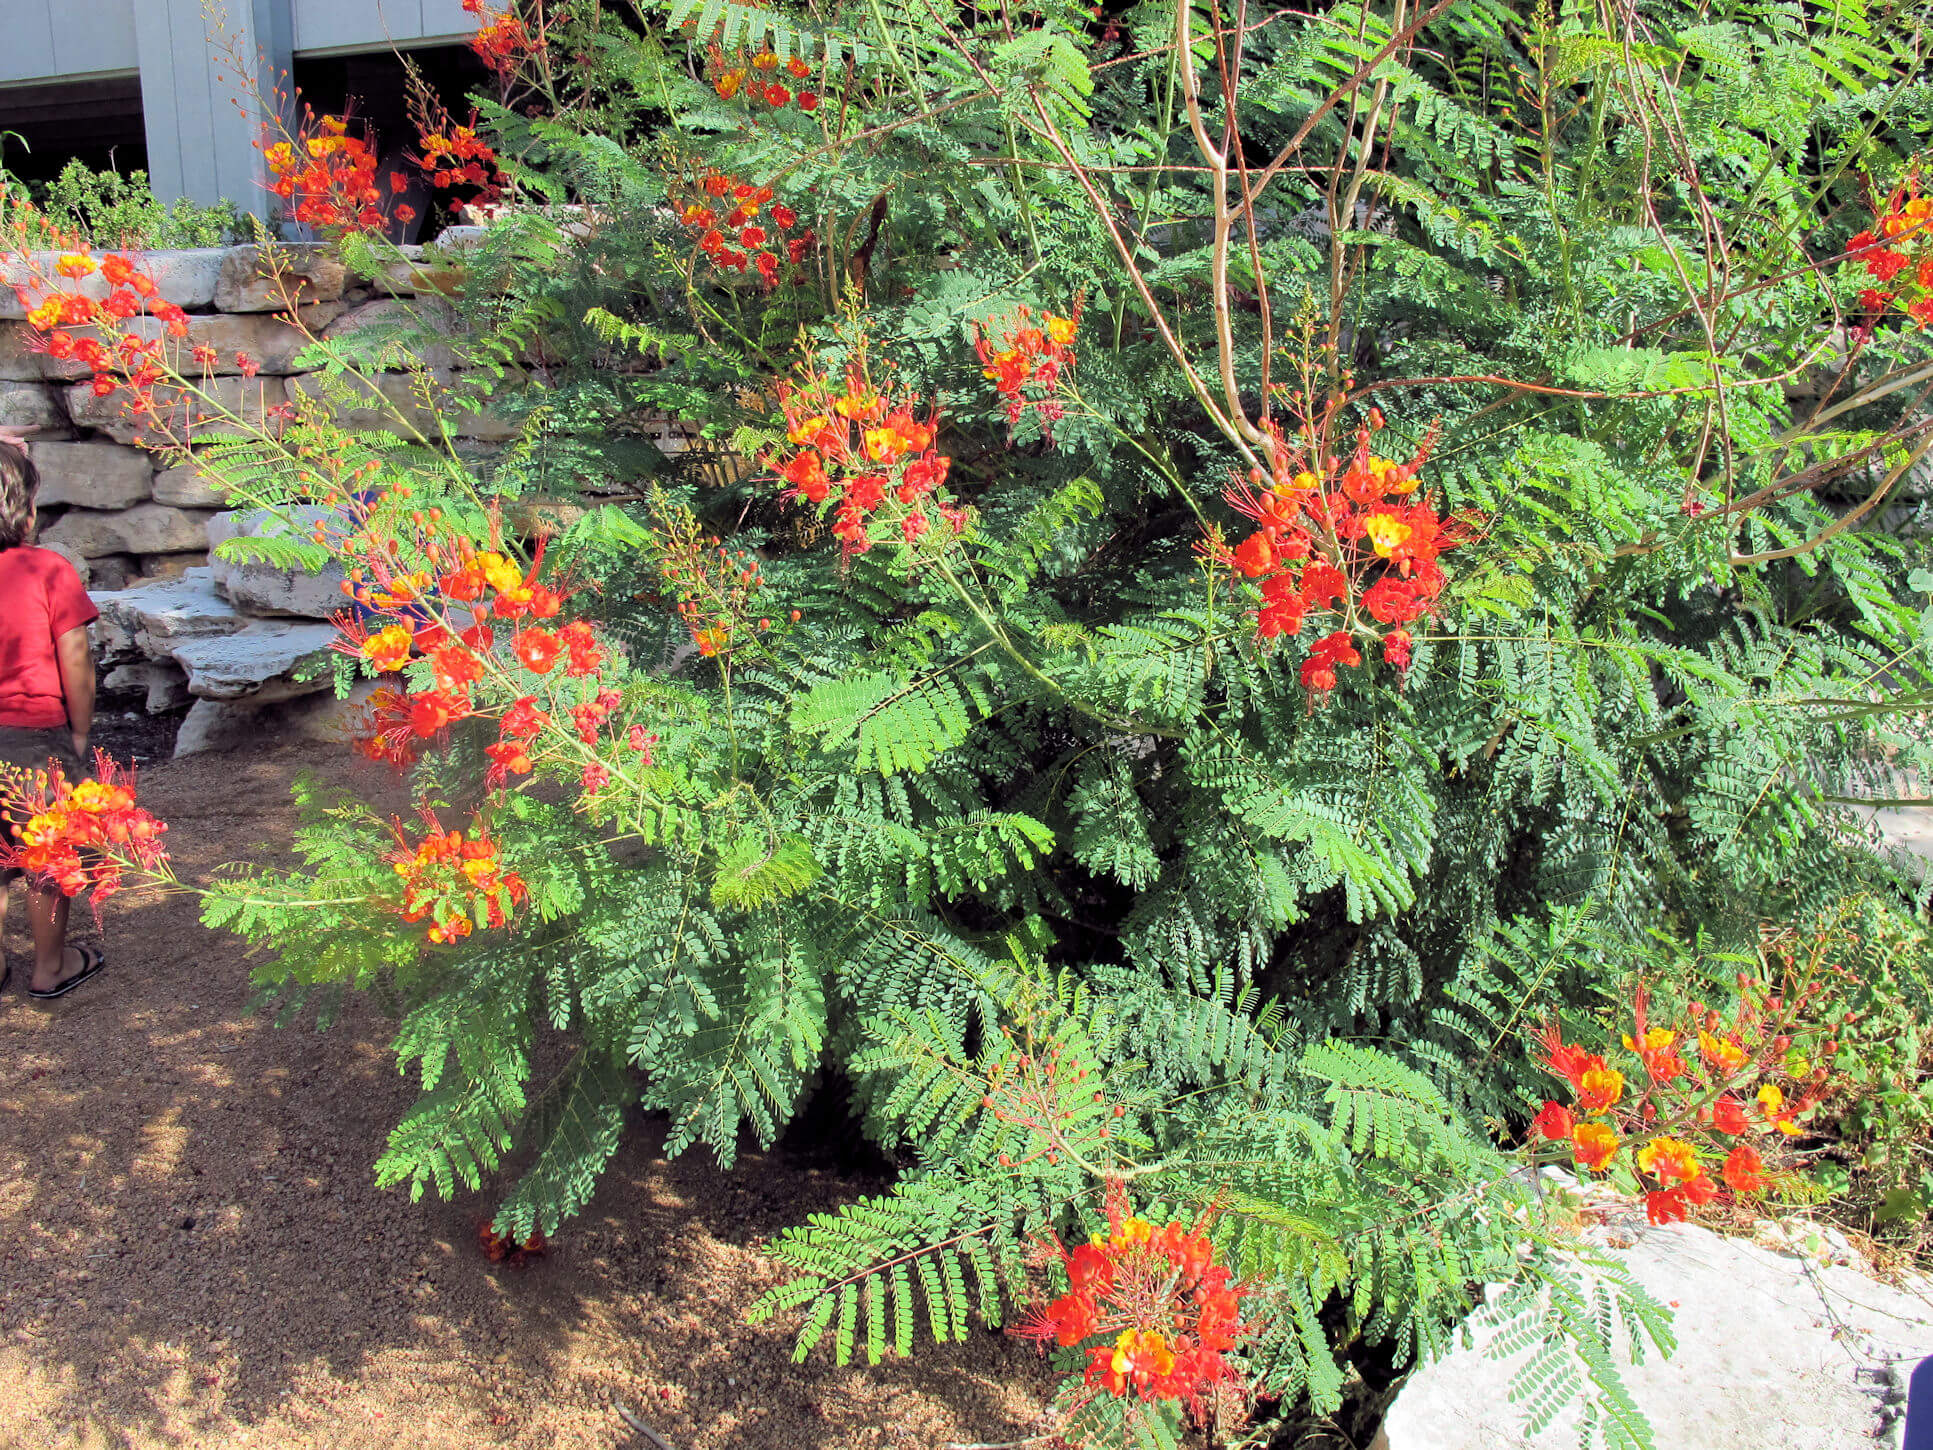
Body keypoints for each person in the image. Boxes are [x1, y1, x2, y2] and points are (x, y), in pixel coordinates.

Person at [0, 427, 106, 999]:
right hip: (29, 736)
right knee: (47, 852)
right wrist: (81, 731)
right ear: (26, 508)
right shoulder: (46, 570)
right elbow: (76, 655)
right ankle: (50, 967)